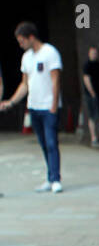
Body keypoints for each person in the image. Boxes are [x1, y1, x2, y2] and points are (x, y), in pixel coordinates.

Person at [0, 22, 64, 192]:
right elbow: (24, 85)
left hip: (48, 106)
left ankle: (56, 179)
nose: (20, 45)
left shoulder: (50, 53)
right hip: (34, 106)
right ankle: (50, 178)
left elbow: (55, 80)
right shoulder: (26, 58)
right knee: (43, 143)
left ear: (31, 37)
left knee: (51, 142)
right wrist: (11, 102)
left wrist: (54, 105)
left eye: (22, 41)